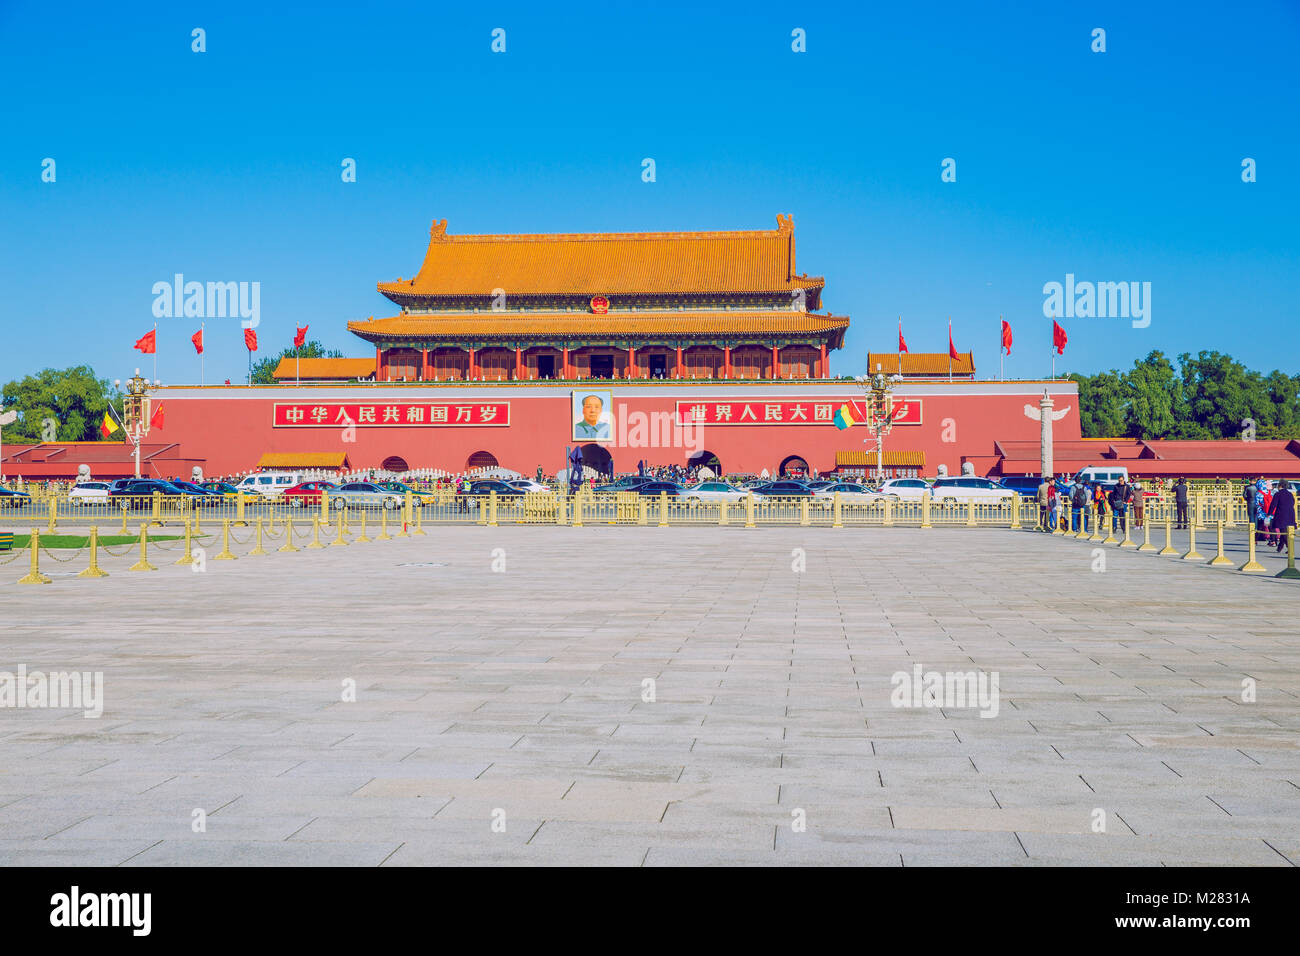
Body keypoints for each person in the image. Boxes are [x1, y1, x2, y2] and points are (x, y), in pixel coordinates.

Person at [1269, 479, 1296, 553]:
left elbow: (1273, 505)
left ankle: (1290, 548)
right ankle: (1280, 547)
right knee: (1284, 531)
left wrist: (1269, 514)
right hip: (1290, 514)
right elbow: (1293, 503)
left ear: (1280, 485)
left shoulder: (1278, 494)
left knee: (1283, 532)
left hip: (1281, 514)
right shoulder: (1290, 494)